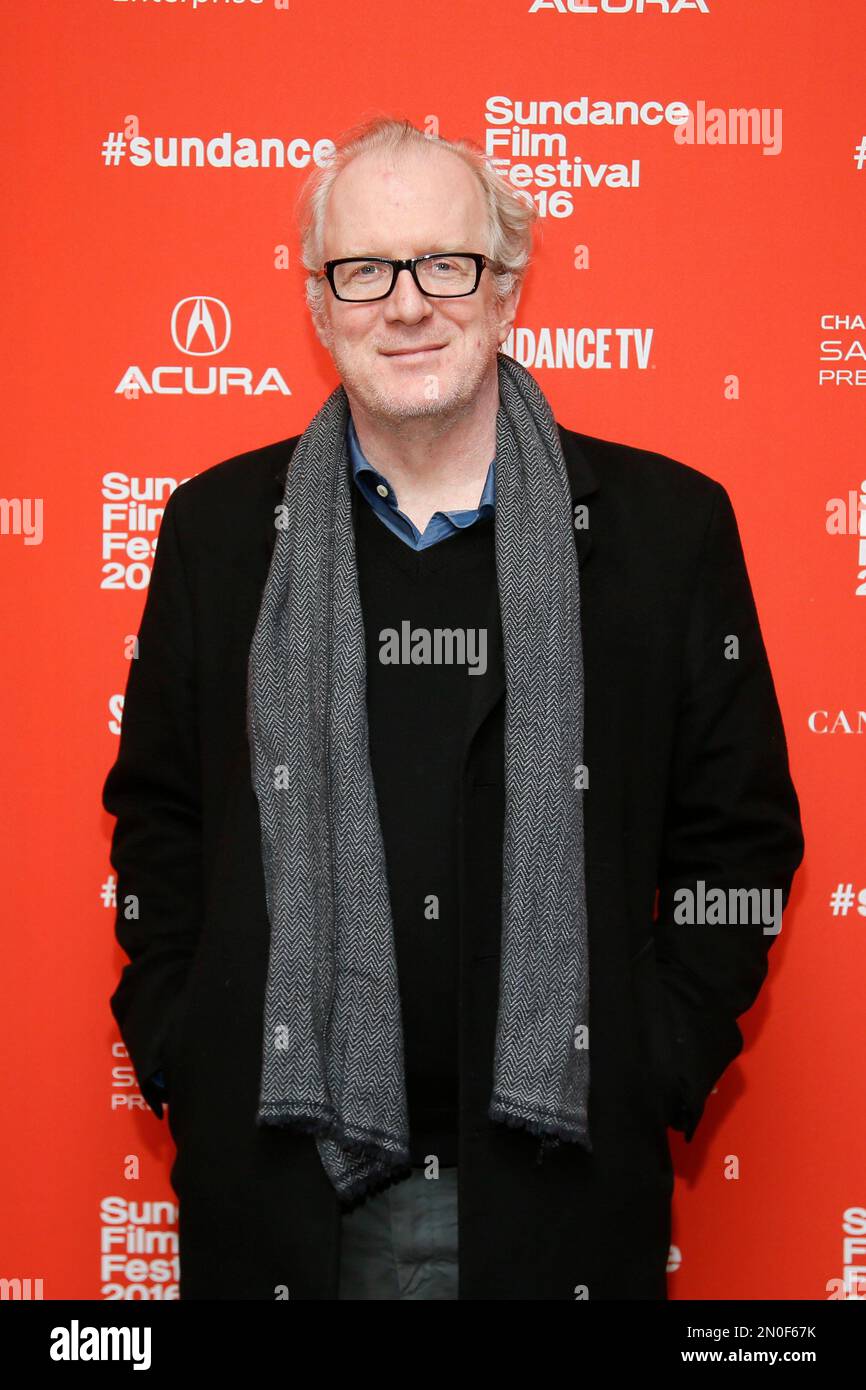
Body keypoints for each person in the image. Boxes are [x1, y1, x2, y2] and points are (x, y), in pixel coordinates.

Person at [102, 116, 805, 1301]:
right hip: (284, 1189)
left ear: (507, 287)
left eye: (446, 264)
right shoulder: (219, 534)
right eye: (363, 270)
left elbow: (735, 836)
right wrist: (188, 1045)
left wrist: (652, 1058)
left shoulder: (663, 532)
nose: (407, 304)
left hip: (555, 1188)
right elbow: (159, 822)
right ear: (320, 306)